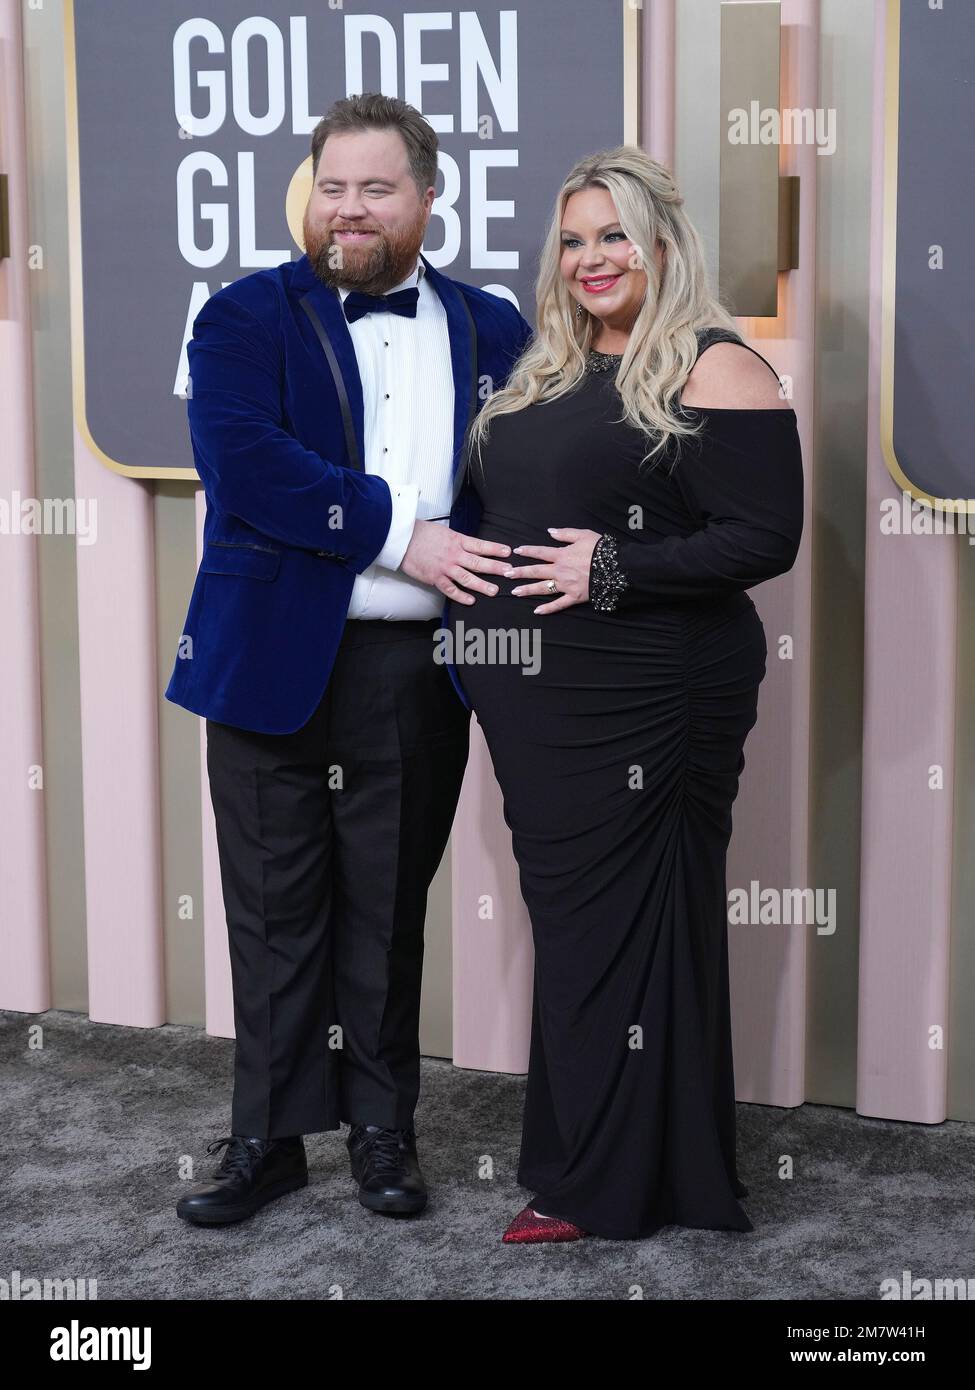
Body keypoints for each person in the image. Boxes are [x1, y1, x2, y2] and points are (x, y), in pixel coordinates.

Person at [165, 94, 531, 1225]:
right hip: (271, 657)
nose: (350, 209)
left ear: (427, 198)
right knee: (273, 911)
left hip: (414, 670)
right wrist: (397, 531)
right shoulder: (238, 315)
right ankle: (266, 1140)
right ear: (308, 196)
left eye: (377, 187)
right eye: (332, 185)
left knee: (384, 911)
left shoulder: (493, 326)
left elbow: (524, 478)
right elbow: (248, 467)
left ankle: (383, 1135)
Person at [444, 146, 804, 1242]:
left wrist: (613, 569)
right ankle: (628, 1162)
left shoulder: (712, 362)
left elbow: (763, 537)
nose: (593, 257)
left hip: (652, 696)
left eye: (614, 235)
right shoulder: (546, 370)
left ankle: (603, 1184)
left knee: (626, 926)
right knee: (586, 926)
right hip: (541, 707)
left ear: (659, 245)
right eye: (573, 239)